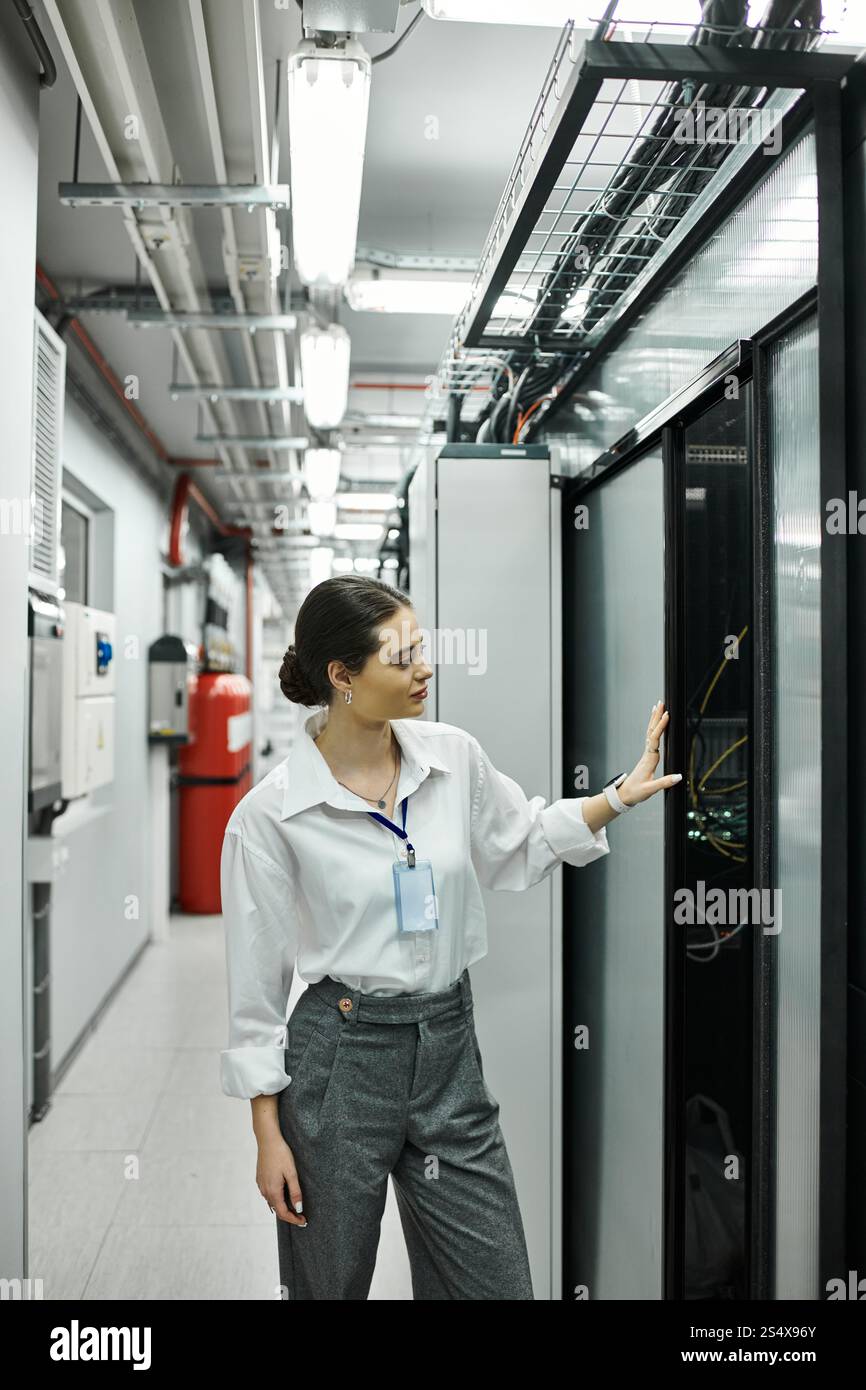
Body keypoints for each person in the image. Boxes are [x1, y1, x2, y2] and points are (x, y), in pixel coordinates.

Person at [219, 574, 681, 1300]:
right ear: (342, 676)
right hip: (340, 1059)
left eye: (422, 650)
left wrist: (617, 796)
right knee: (327, 1285)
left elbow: (518, 841)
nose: (424, 669)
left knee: (495, 1283)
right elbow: (256, 985)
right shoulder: (270, 815)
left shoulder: (450, 756)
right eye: (401, 657)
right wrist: (267, 1132)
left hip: (447, 1047)